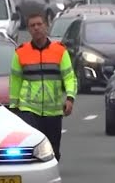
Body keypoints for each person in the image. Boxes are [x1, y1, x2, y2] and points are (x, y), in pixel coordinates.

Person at [8, 10, 75, 159]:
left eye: (39, 24)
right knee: (32, 149)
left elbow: (69, 77)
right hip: (29, 109)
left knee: (53, 152)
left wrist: (70, 98)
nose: (36, 28)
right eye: (32, 25)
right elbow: (15, 81)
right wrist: (14, 108)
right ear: (28, 29)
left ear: (46, 26)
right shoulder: (21, 52)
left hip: (53, 112)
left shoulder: (60, 51)